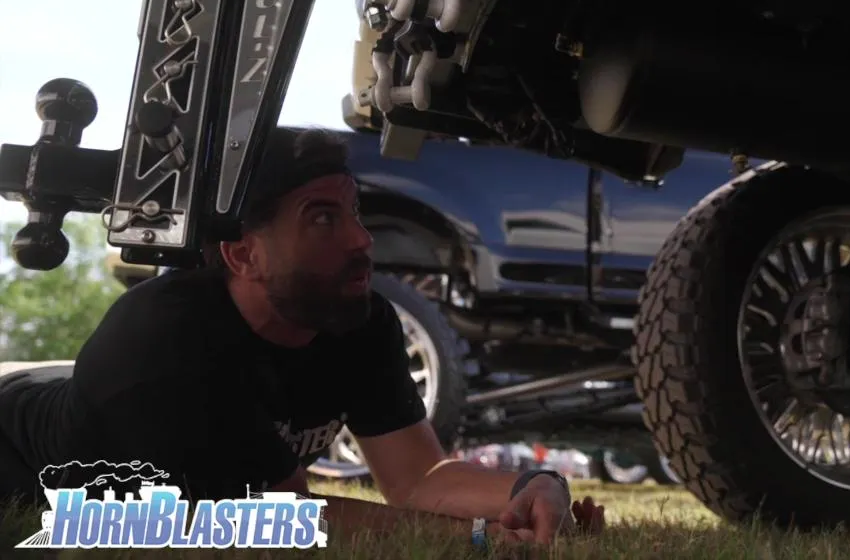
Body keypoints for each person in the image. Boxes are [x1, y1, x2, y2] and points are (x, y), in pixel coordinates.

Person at [0, 127, 605, 545]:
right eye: (322, 219)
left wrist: (533, 486)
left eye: (353, 212)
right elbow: (282, 520)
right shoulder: (168, 337)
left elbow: (416, 477)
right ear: (243, 254)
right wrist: (480, 538)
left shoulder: (359, 320)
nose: (361, 239)